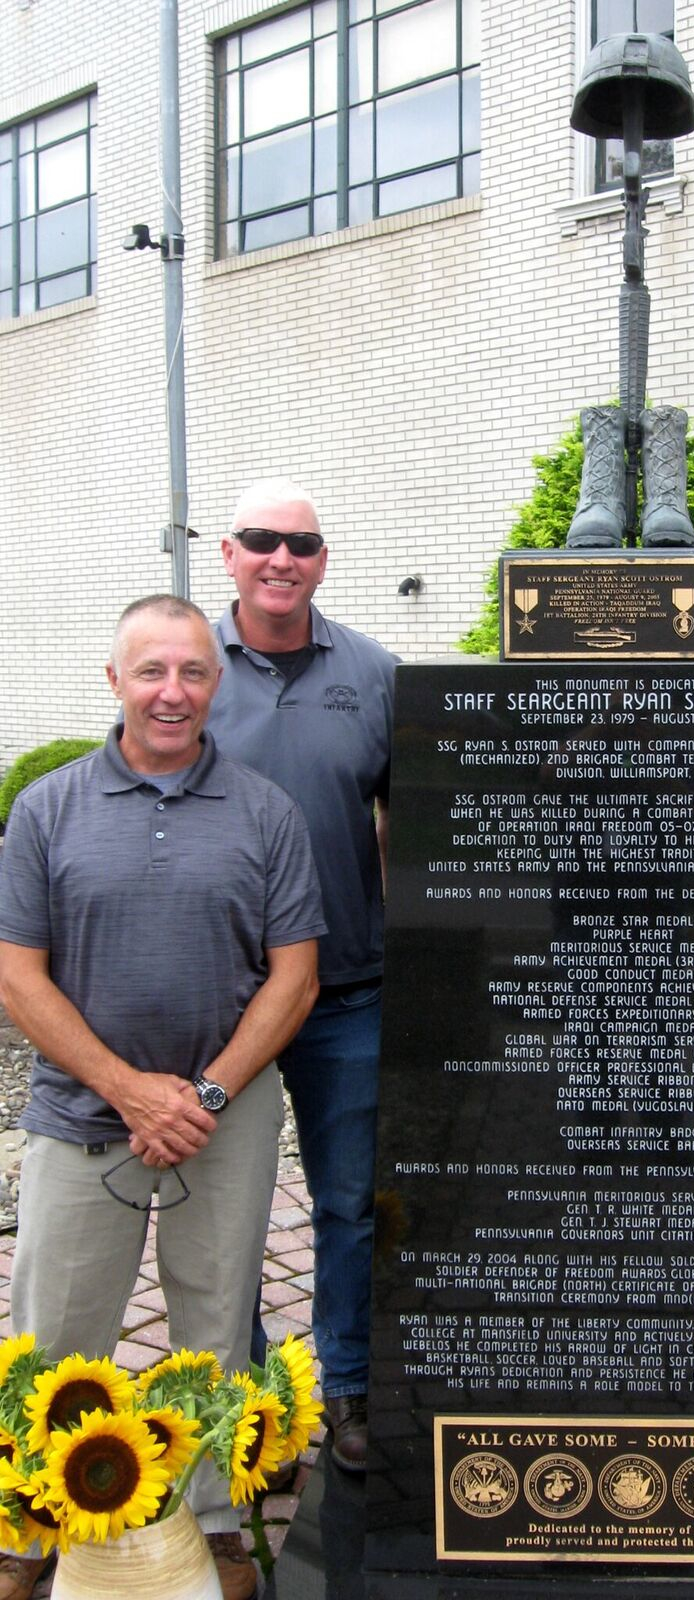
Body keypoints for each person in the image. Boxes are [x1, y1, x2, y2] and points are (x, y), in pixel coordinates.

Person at [0, 596, 325, 1600]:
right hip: (80, 1117)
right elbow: (17, 974)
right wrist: (130, 1091)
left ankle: (216, 1520)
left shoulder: (267, 811)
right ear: (114, 681)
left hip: (222, 1124)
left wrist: (208, 1095)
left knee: (216, 1329)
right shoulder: (46, 807)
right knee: (55, 1331)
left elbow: (295, 975)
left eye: (191, 672)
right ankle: (33, 1518)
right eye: (151, 672)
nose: (173, 692)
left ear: (213, 683)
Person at [205, 479, 396, 1473]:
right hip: (220, 1002)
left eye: (304, 544)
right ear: (227, 553)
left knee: (351, 1203)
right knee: (221, 1207)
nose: (282, 558)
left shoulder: (372, 671)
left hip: (347, 993)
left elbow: (414, 820)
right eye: (261, 540)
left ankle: (351, 1386)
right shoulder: (190, 670)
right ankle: (241, 1398)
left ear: (324, 559)